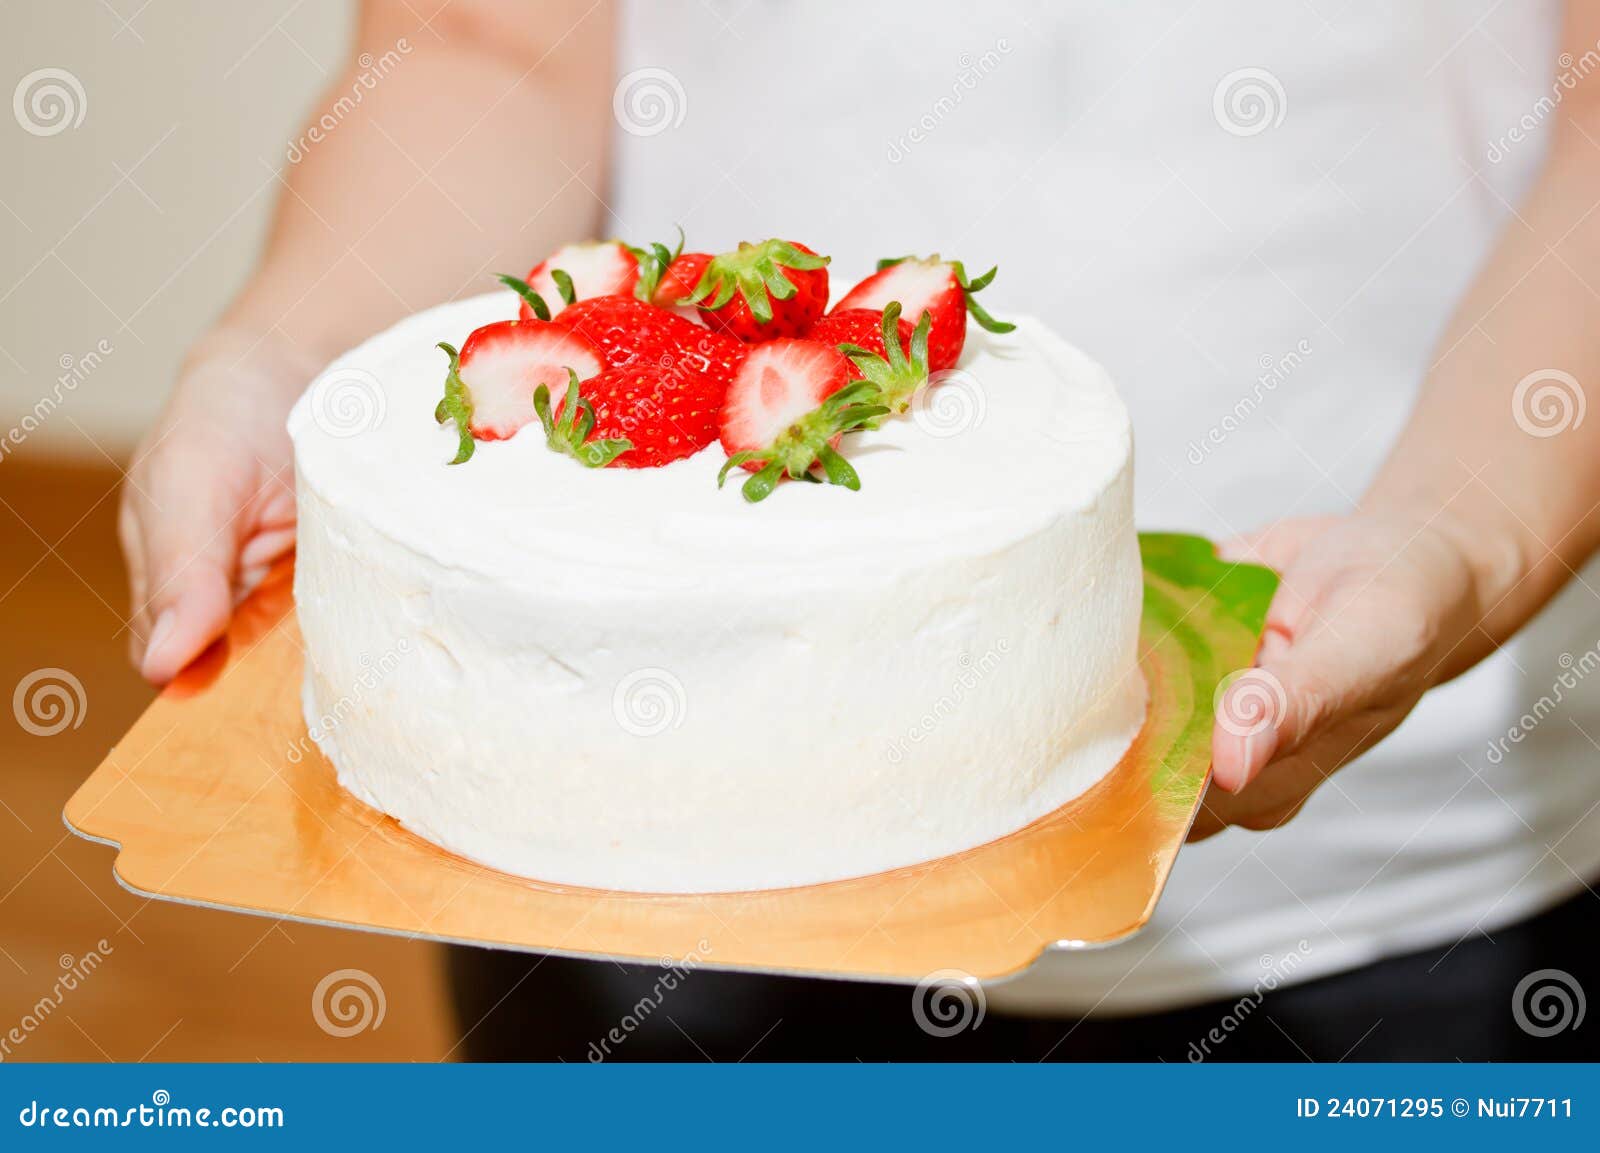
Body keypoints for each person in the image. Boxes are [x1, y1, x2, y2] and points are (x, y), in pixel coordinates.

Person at [121, 0, 1600, 1059]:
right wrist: (283, 357)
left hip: (1400, 866)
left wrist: (1460, 530)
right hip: (643, 843)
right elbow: (489, 36)